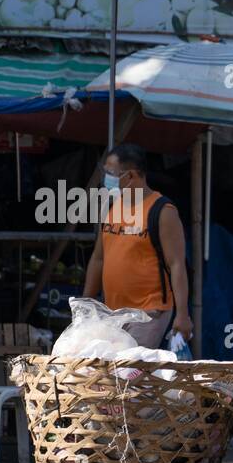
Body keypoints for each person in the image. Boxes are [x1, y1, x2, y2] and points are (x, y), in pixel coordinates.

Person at [82, 144, 192, 349]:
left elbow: (176, 264)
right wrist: (86, 305)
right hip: (113, 314)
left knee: (128, 372)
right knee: (113, 374)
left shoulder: (162, 210)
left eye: (110, 173)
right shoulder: (112, 207)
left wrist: (183, 315)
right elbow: (98, 258)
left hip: (149, 312)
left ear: (131, 176)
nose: (106, 177)